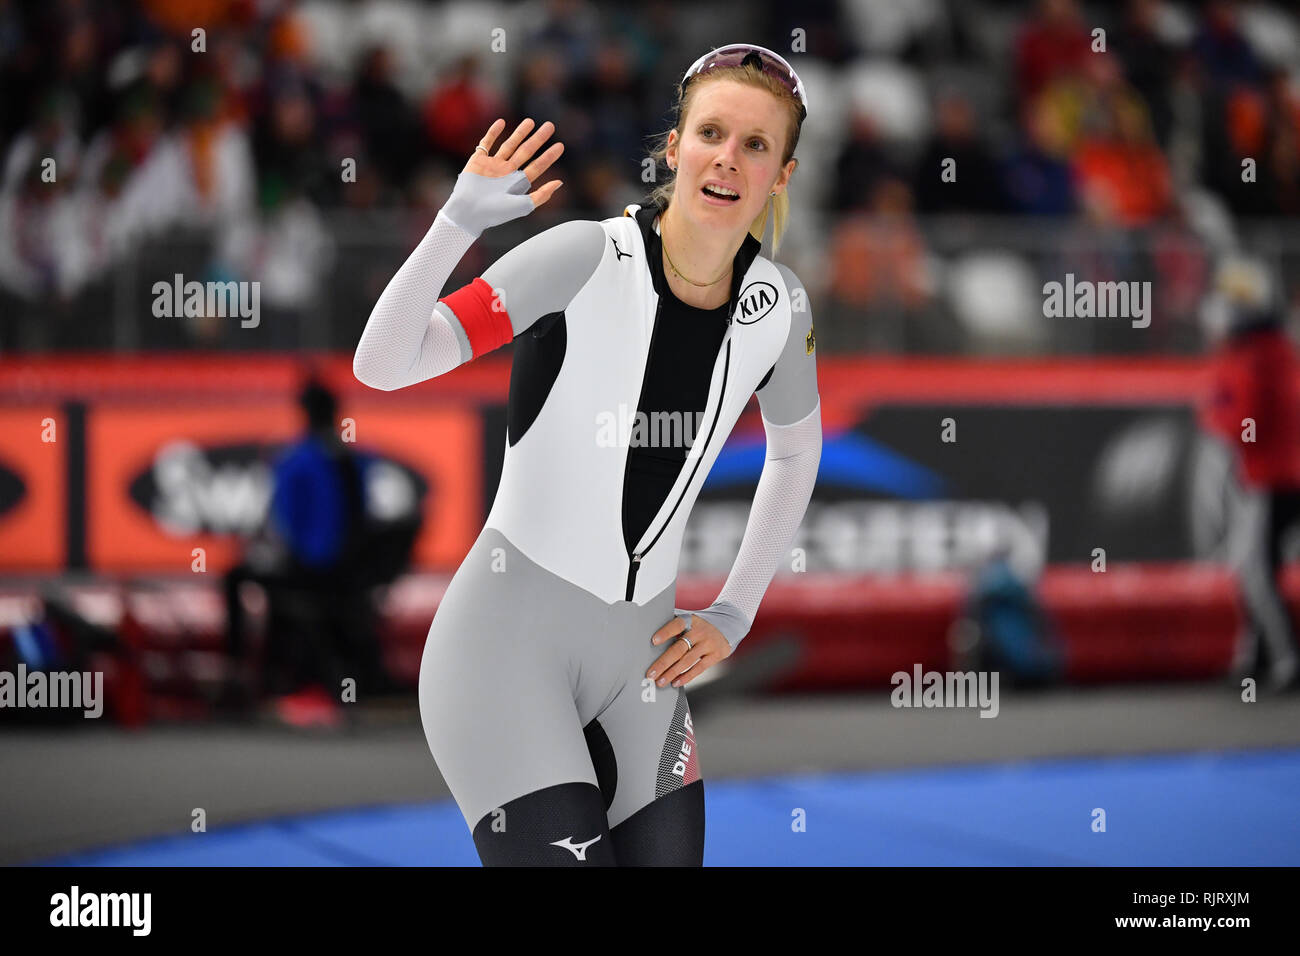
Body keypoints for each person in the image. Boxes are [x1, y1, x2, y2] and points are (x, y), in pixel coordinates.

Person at [354, 44, 822, 865]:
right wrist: (454, 223)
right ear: (675, 148)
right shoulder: (581, 260)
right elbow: (383, 365)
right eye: (711, 132)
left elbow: (795, 452)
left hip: (645, 670)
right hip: (502, 656)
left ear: (781, 174)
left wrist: (733, 611)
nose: (729, 159)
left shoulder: (776, 308)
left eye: (756, 145)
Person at [1201, 259, 1300, 692]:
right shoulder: (1277, 351)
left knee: (1256, 572)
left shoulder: (1253, 358)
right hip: (1275, 475)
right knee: (1258, 569)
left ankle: (1282, 660)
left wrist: (1215, 413)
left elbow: (1245, 420)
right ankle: (1257, 655)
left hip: (1268, 478)